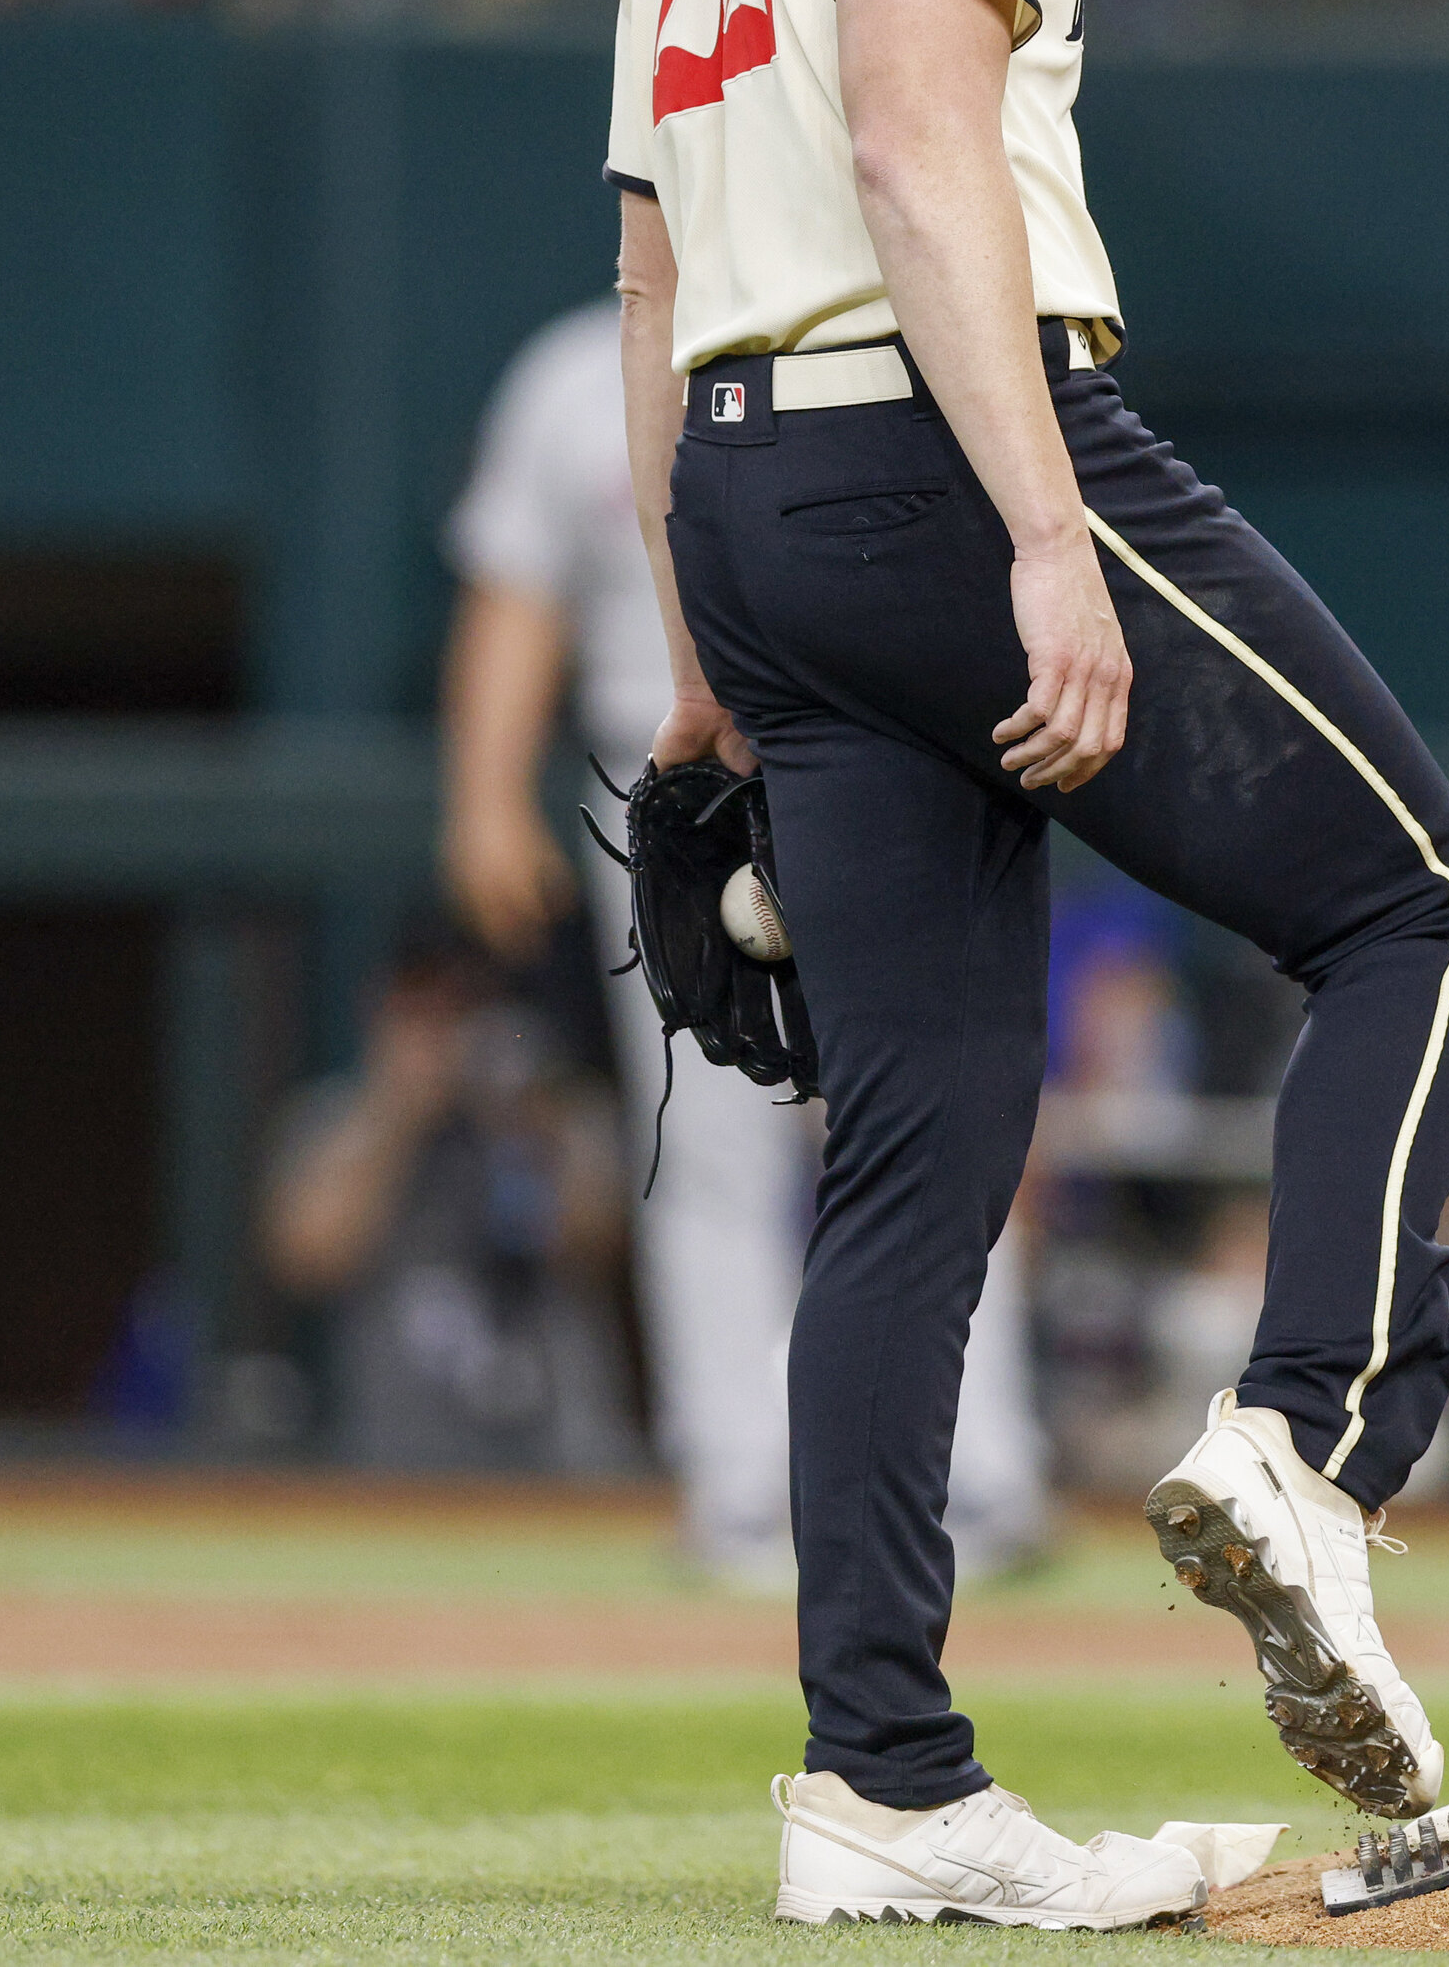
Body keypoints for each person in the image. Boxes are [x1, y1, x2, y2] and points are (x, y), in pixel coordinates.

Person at [598, 0, 1449, 1926]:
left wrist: (699, 657)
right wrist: (1030, 530)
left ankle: (878, 1775)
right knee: (1419, 909)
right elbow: (912, 129)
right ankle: (1307, 1441)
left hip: (763, 494)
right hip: (949, 448)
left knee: (911, 1160)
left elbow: (654, 262)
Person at [442, 296, 1050, 1586]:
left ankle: (975, 1470)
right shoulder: (569, 375)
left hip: (877, 749)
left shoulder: (884, 324)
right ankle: (735, 1476)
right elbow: (516, 592)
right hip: (669, 780)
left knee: (927, 1118)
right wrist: (485, 798)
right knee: (706, 1144)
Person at [260, 913, 642, 1475]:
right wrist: (399, 1110)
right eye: (421, 1007)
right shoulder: (330, 1121)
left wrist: (526, 1123)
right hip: (400, 1468)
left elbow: (599, 1242)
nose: (442, 1031)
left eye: (461, 1007)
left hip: (562, 1460)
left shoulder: (556, 1111)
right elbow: (309, 1257)